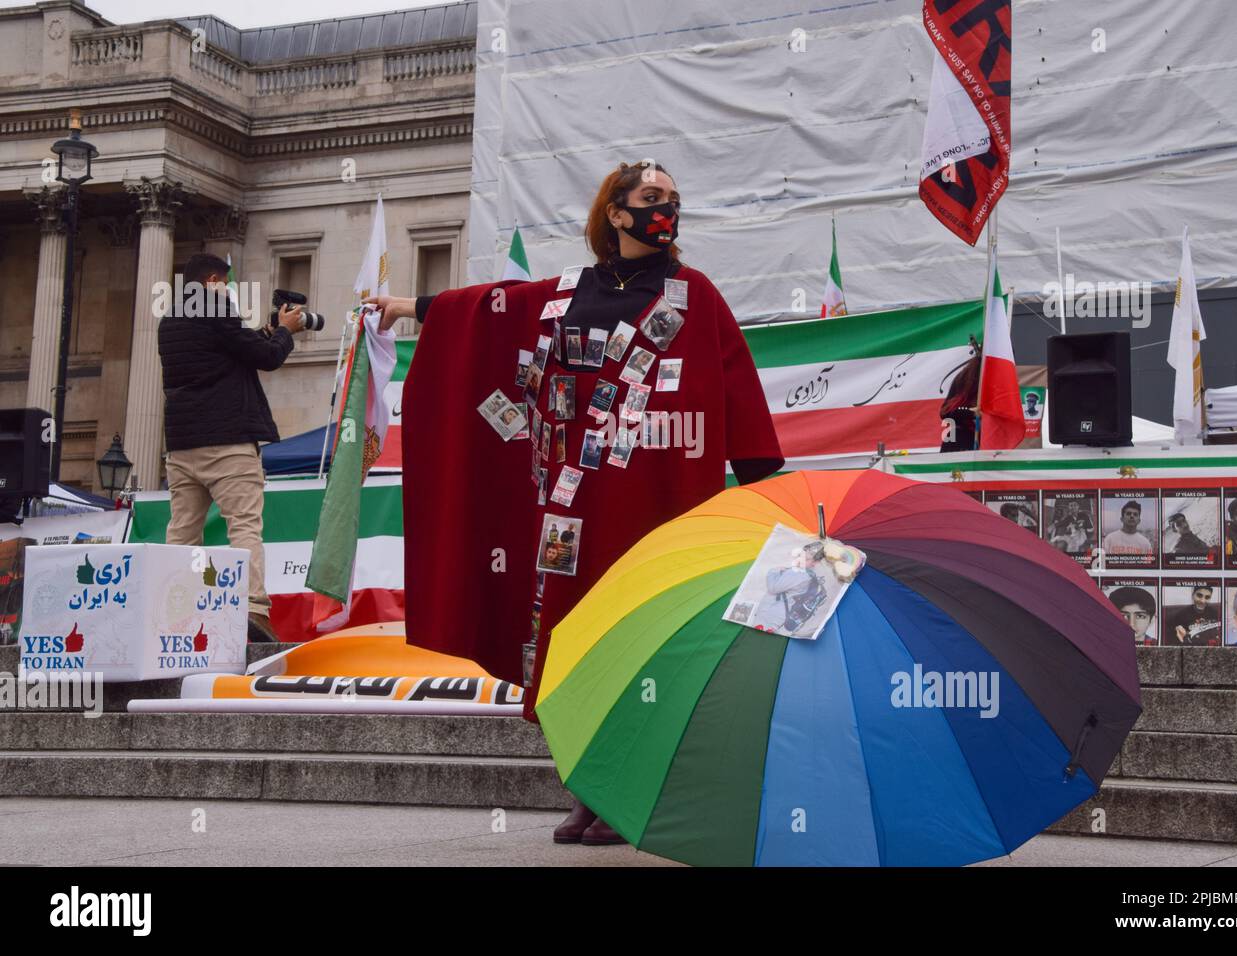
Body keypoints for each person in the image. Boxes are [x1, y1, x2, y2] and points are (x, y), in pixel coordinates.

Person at [365, 161, 783, 847]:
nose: (667, 210)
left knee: (646, 648)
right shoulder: (568, 294)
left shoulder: (696, 295)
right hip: (574, 517)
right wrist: (409, 309)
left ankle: (630, 793)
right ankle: (587, 787)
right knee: (573, 647)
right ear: (615, 214)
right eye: (652, 199)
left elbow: (738, 388)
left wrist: (768, 485)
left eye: (674, 200)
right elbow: (489, 311)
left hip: (662, 508)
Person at [158, 252, 305, 643]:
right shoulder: (215, 309)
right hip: (227, 442)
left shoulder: (170, 320)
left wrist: (270, 328)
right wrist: (286, 332)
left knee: (183, 533)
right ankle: (253, 609)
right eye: (226, 283)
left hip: (182, 444)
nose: (230, 291)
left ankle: (175, 613)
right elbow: (268, 358)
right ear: (210, 281)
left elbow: (228, 353)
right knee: (244, 524)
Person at [751, 542, 828, 635]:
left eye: (806, 559)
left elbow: (773, 588)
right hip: (778, 614)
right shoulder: (809, 576)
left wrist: (773, 571)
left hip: (769, 614)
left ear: (815, 563)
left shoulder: (799, 574)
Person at [939, 345, 980, 452]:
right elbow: (945, 413)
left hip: (989, 446)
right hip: (958, 443)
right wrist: (972, 413)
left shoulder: (1001, 380)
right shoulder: (964, 379)